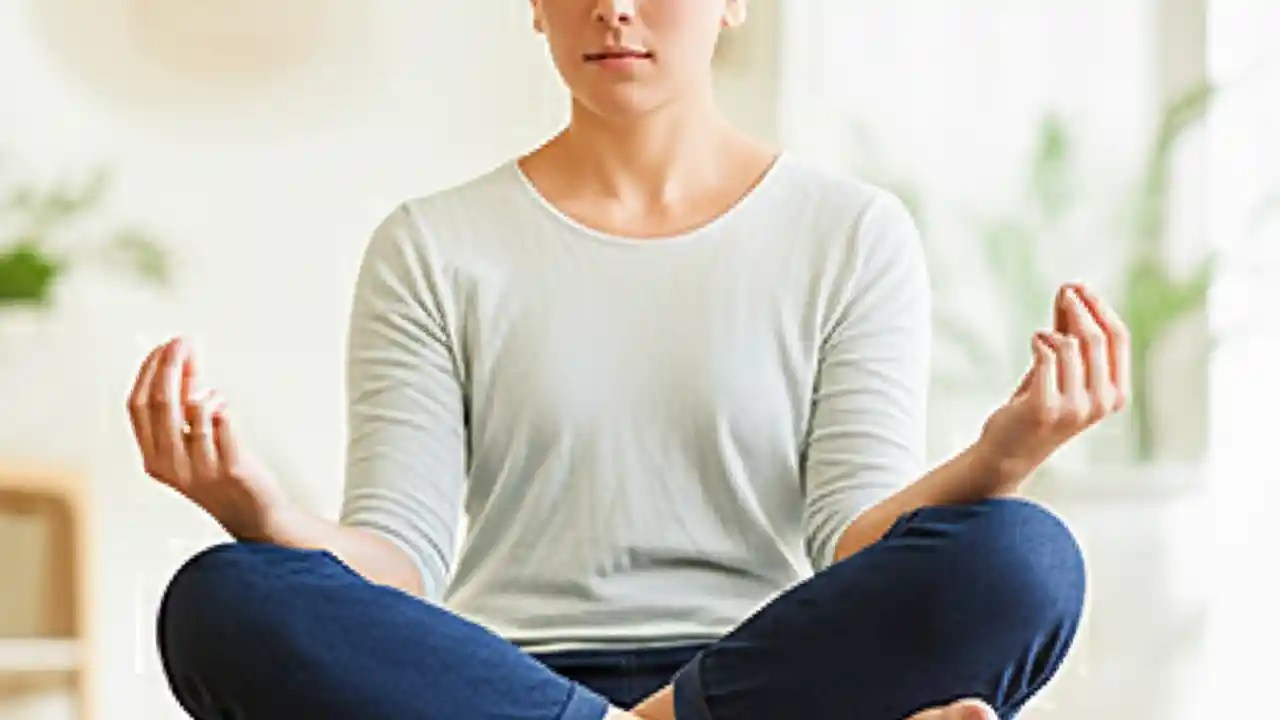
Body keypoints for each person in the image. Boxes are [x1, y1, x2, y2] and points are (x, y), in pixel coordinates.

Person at [127, 1, 1131, 719]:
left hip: (764, 676)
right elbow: (400, 562)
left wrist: (1003, 453)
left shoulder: (850, 233)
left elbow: (851, 539)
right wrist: (258, 508)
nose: (612, 8)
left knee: (1023, 560)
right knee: (223, 598)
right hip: (496, 685)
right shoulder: (432, 245)